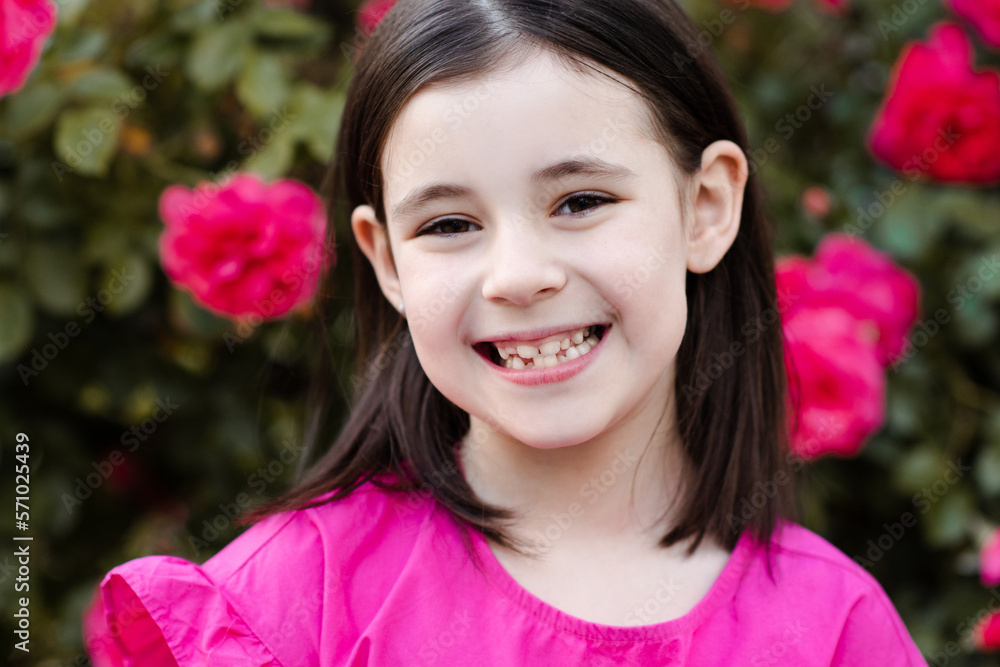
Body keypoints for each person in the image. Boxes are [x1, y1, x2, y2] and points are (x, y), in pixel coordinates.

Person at [83, 0, 929, 664]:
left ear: (705, 207)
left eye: (581, 202)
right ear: (386, 261)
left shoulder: (834, 627)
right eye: (449, 223)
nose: (519, 275)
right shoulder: (287, 606)